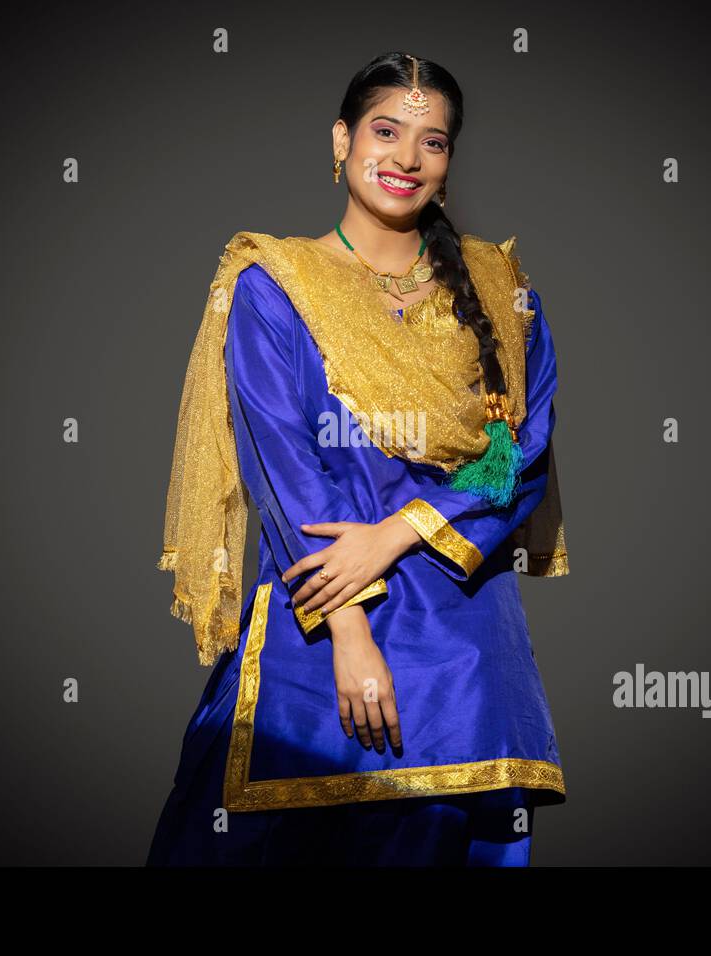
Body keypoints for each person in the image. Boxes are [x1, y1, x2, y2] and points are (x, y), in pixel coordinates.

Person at [148, 52, 569, 866]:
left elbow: (522, 454)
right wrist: (350, 633)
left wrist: (398, 531)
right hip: (321, 633)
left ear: (448, 165)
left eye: (433, 142)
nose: (407, 159)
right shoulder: (276, 285)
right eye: (386, 131)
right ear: (341, 140)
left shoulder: (501, 288)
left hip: (463, 647)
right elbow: (285, 470)